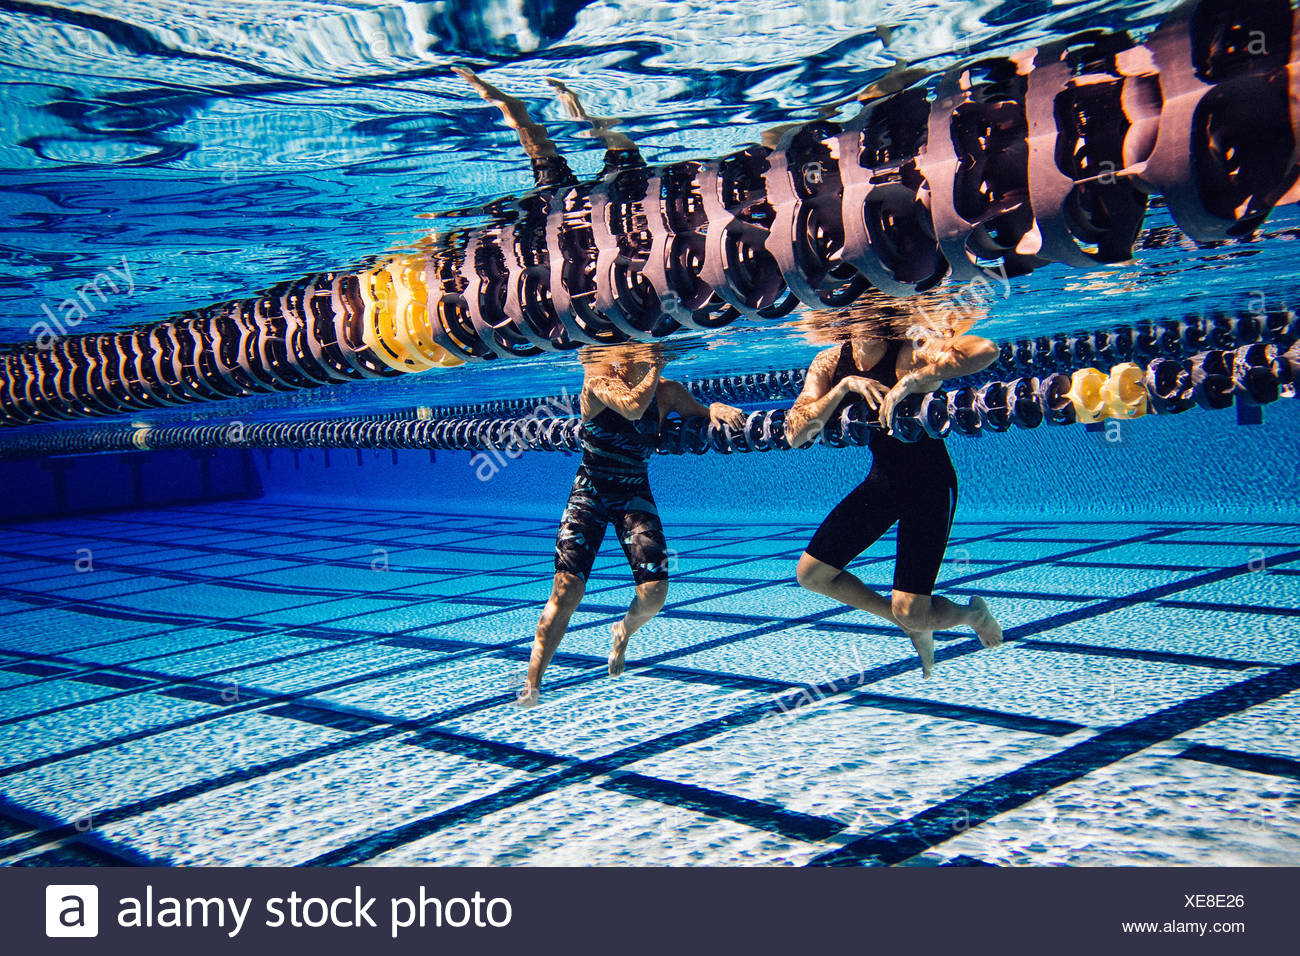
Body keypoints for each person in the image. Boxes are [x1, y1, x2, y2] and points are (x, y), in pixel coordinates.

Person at [517, 345, 746, 707]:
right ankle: (532, 683)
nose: (622, 363)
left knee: (655, 594)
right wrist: (653, 365)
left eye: (633, 357)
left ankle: (622, 632)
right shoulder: (596, 380)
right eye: (621, 358)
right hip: (590, 490)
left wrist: (713, 408)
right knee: (567, 590)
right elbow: (633, 407)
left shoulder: (668, 392)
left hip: (633, 491)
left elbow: (700, 411)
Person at [784, 313, 1005, 677]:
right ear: (844, 322)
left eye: (870, 311)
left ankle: (972, 614)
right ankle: (910, 623)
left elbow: (985, 350)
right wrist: (844, 388)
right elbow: (796, 434)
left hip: (930, 485)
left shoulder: (910, 348)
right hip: (883, 483)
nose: (864, 321)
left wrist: (916, 380)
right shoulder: (830, 362)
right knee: (812, 575)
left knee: (911, 610)